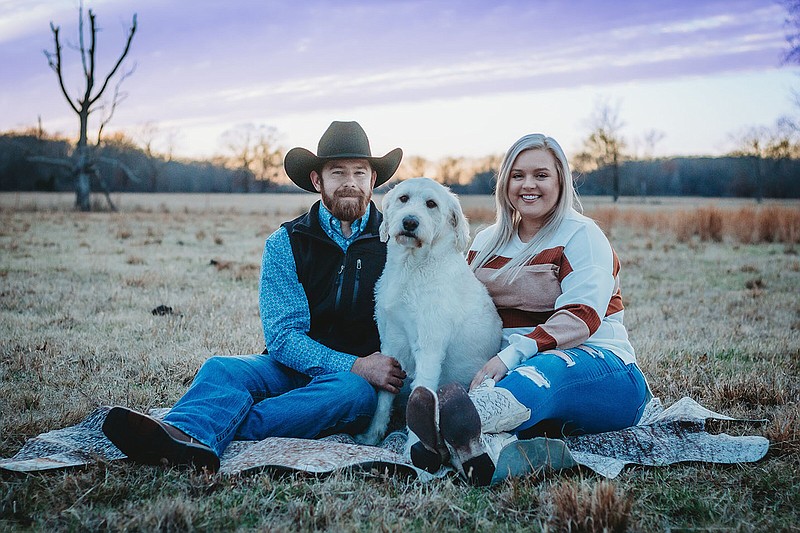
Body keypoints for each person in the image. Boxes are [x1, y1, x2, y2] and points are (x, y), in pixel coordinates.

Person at [102, 121, 406, 472]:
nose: (350, 182)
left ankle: (210, 430)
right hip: (291, 368)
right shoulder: (286, 242)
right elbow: (283, 338)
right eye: (338, 172)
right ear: (317, 181)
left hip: (356, 382)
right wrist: (353, 363)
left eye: (359, 172)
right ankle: (182, 434)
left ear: (373, 180)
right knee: (222, 368)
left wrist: (362, 368)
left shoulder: (396, 244)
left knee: (350, 393)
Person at [406, 133, 650, 486]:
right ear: (505, 183)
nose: (528, 185)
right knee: (514, 385)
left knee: (546, 369)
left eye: (541, 175)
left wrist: (510, 357)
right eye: (518, 175)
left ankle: (449, 423)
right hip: (513, 378)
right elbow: (460, 306)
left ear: (561, 181)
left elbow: (581, 316)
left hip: (602, 372)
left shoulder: (582, 235)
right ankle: (477, 452)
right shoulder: (486, 242)